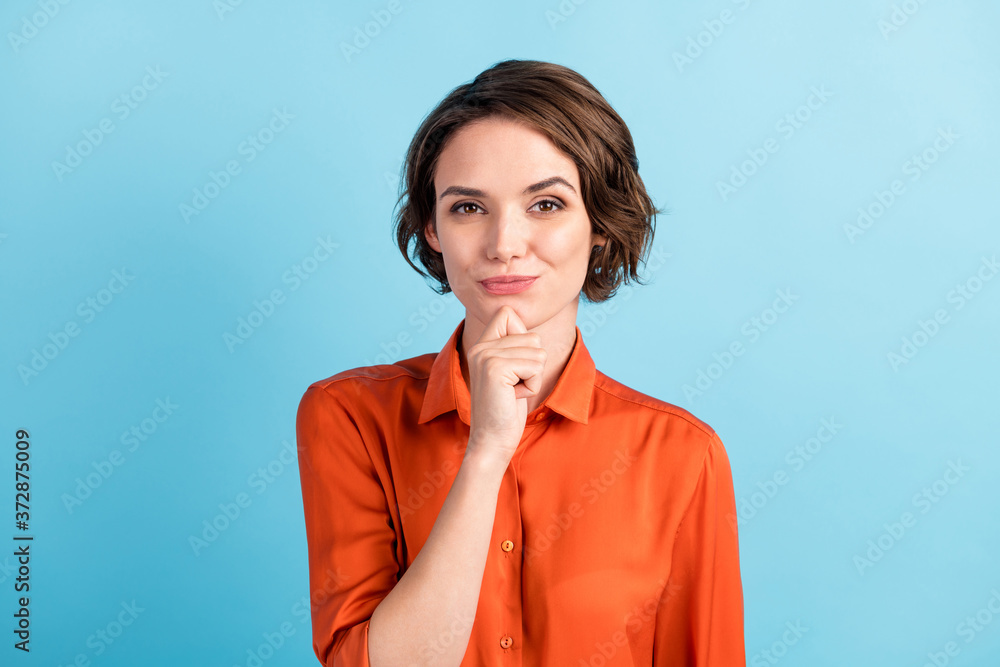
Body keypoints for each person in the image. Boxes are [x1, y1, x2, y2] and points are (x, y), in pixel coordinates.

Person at [296, 58, 746, 666]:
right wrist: (485, 453)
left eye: (546, 205)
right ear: (431, 228)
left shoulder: (681, 454)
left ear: (600, 225)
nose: (505, 243)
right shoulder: (349, 416)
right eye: (468, 208)